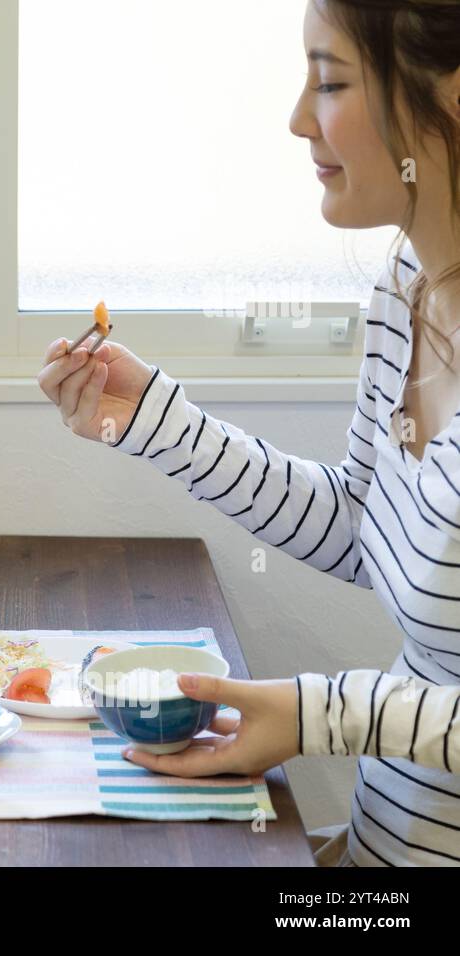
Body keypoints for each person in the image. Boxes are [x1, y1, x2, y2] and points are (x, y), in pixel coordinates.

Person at [39, 0, 460, 866]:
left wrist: (316, 716)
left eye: (332, 80)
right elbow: (366, 525)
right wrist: (153, 418)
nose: (299, 118)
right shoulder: (408, 287)